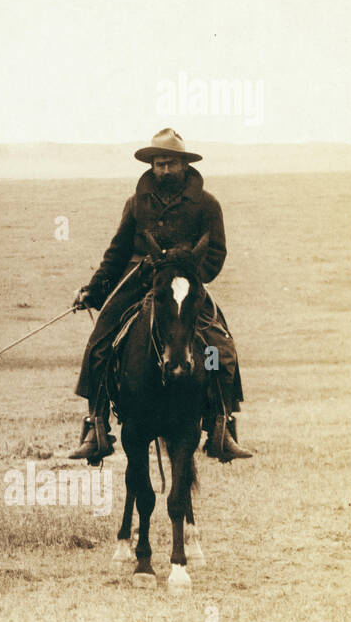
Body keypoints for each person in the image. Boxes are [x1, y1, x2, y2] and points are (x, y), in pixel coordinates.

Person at [69, 129, 251, 463]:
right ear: (151, 166)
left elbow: (216, 252)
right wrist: (93, 290)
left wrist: (192, 277)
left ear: (184, 165)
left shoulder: (207, 204)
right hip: (138, 282)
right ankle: (96, 426)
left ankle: (220, 425)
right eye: (159, 164)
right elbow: (117, 251)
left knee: (219, 348)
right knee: (99, 344)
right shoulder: (136, 203)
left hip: (185, 287)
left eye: (170, 163)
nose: (164, 170)